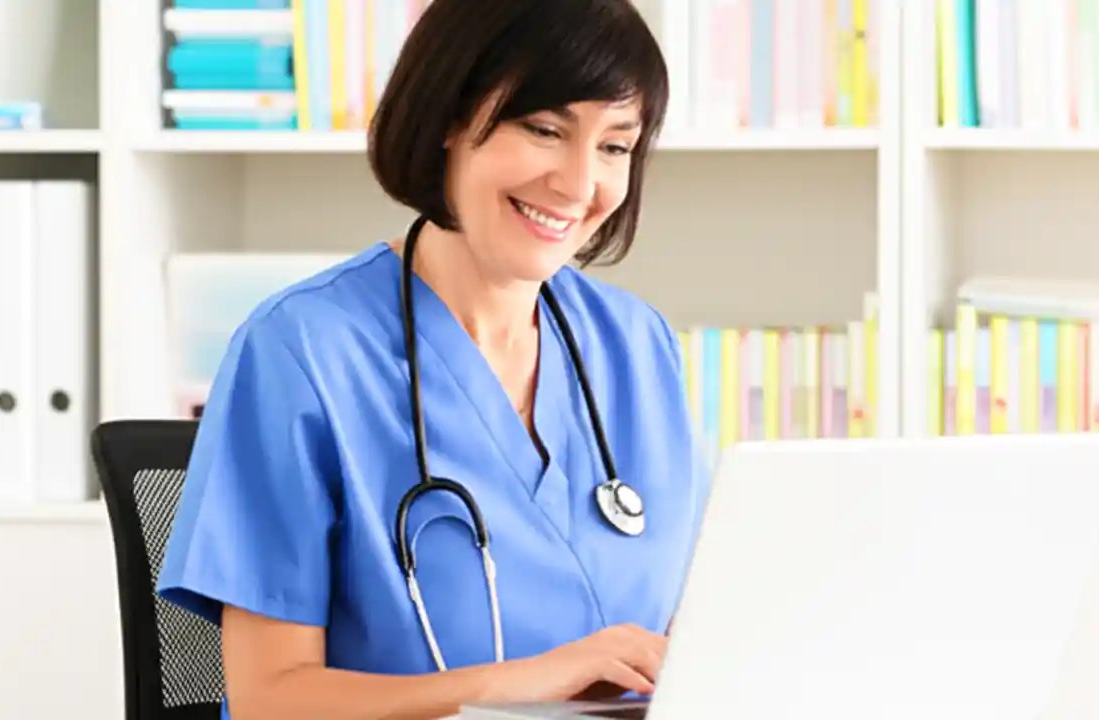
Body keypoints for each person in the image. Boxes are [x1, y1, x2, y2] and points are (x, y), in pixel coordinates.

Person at [156, 1, 709, 718]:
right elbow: (271, 700)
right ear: (450, 118)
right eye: (545, 130)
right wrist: (518, 682)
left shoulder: (638, 348)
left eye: (614, 147)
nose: (578, 185)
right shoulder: (303, 352)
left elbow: (699, 629)